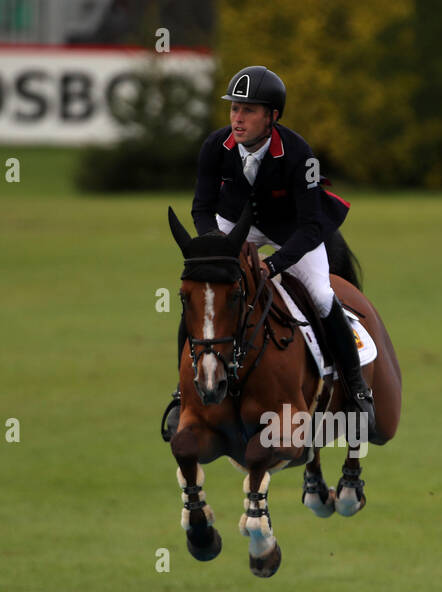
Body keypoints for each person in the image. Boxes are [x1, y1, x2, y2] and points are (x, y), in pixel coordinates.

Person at [161, 65, 376, 443]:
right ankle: (182, 395)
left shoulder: (300, 154)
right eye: (233, 109)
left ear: (272, 117)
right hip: (231, 224)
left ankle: (358, 390)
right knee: (202, 292)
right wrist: (217, 248)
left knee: (324, 296)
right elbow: (200, 207)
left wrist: (274, 264)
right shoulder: (215, 146)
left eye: (248, 110)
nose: (237, 119)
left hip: (291, 229)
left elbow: (311, 227)